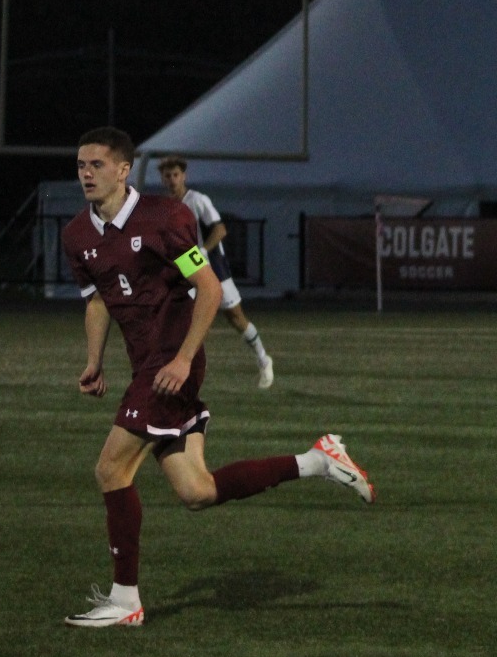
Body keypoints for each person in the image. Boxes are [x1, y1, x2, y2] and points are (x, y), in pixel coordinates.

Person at [60, 128, 373, 627]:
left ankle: (125, 600)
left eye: (96, 165)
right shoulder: (77, 234)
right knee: (197, 493)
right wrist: (94, 360)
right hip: (147, 366)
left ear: (123, 170)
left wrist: (183, 359)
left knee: (110, 469)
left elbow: (207, 288)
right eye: (80, 165)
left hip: (170, 362)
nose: (86, 174)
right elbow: (98, 299)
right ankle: (316, 461)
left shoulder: (166, 219)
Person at [156, 156, 274, 389]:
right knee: (185, 320)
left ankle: (263, 358)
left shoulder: (197, 200)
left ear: (184, 176)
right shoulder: (165, 207)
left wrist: (203, 250)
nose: (171, 180)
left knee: (235, 317)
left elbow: (220, 230)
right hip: (187, 270)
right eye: (167, 176)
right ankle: (183, 371)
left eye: (175, 175)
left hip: (214, 268)